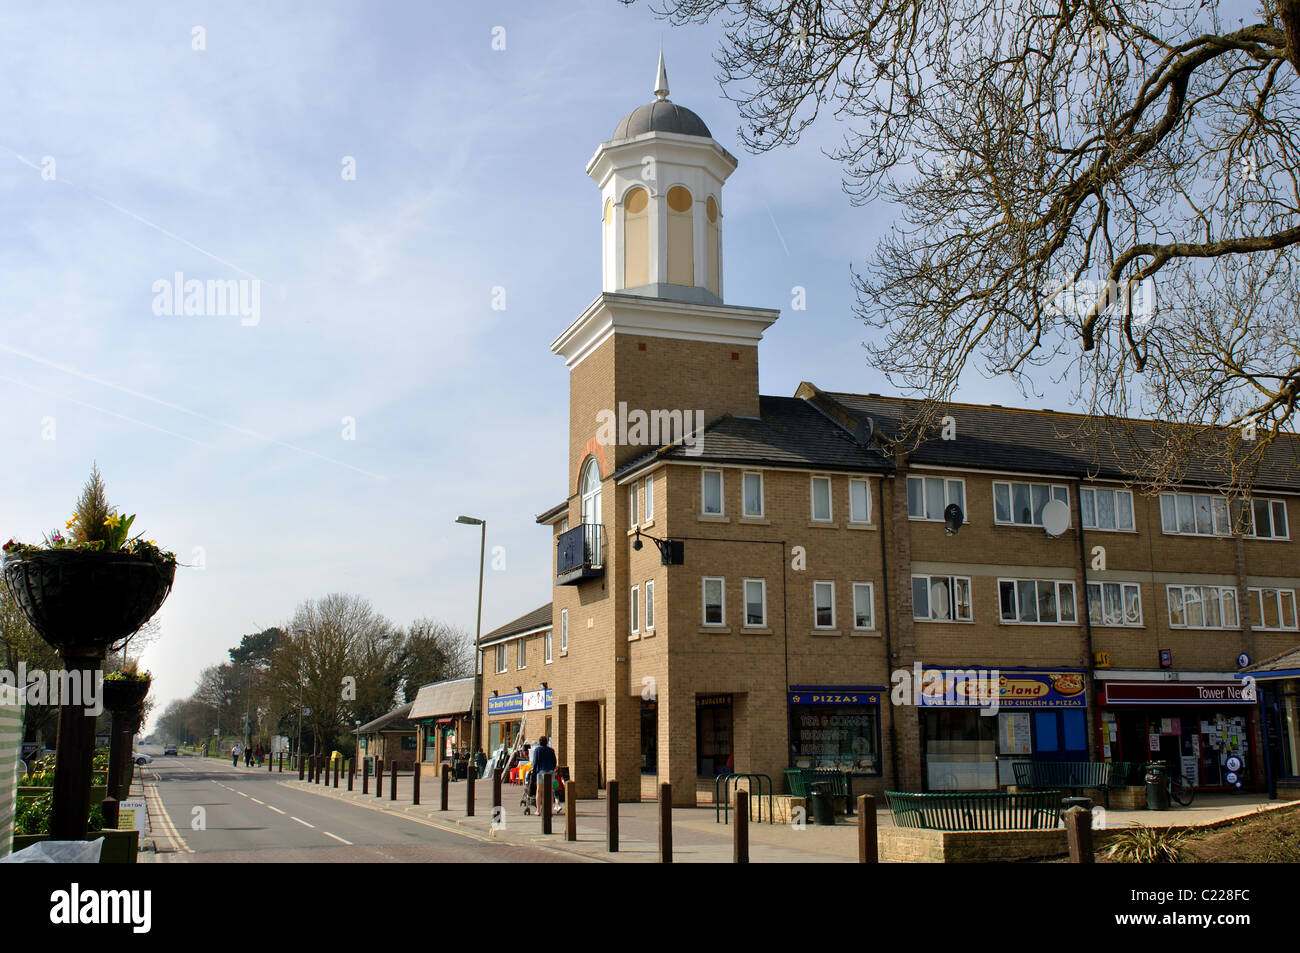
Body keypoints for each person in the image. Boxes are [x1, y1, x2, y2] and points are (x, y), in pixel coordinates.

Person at [527, 736, 558, 803]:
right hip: (550, 771)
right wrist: (552, 768)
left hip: (541, 771)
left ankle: (538, 810)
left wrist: (534, 771)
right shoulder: (551, 750)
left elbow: (535, 762)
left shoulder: (537, 750)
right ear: (546, 742)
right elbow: (554, 762)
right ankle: (549, 809)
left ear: (540, 742)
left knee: (539, 790)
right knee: (549, 791)